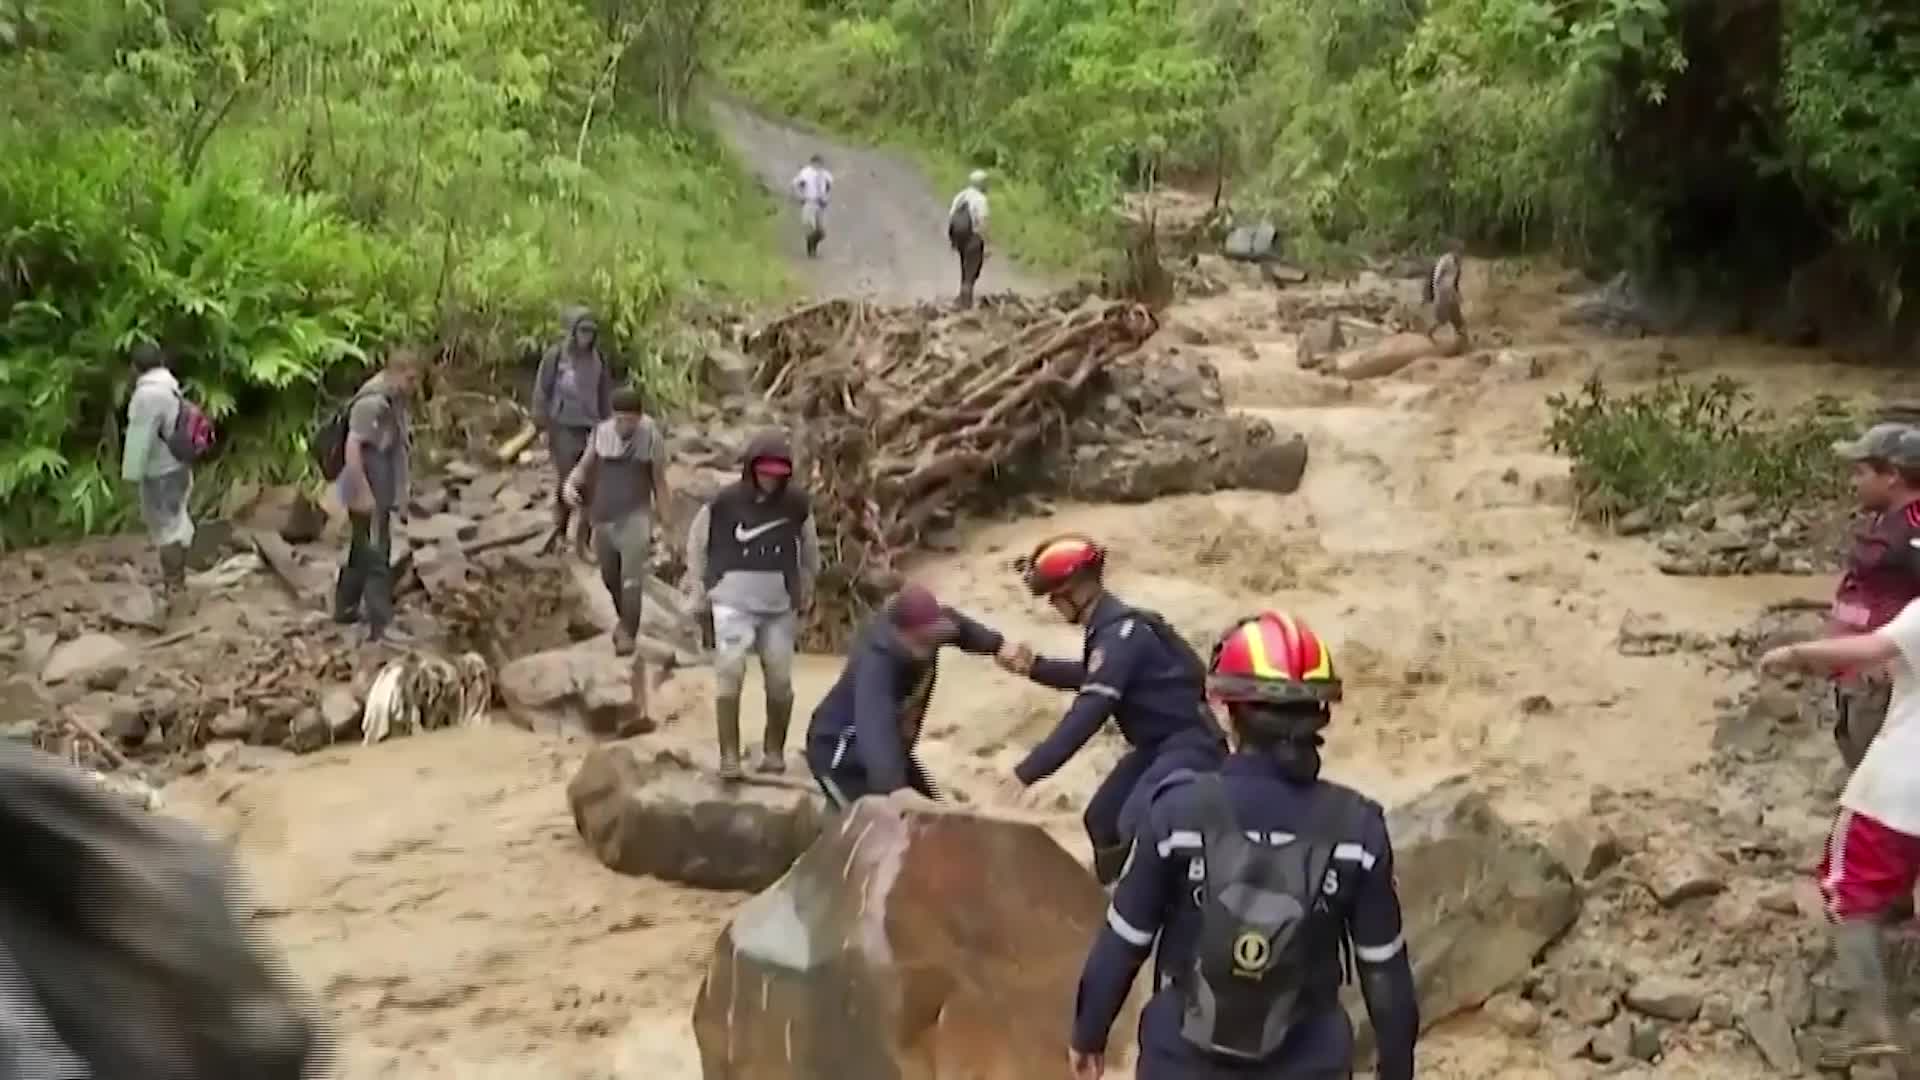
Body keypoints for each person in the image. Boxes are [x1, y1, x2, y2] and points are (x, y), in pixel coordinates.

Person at [1069, 610, 1418, 1080]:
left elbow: (1124, 942)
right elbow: (1384, 973)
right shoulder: (1358, 829)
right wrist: (1396, 1069)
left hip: (1182, 1062)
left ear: (1228, 708)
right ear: (1322, 712)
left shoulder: (1177, 813)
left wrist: (1088, 1035)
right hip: (1308, 1065)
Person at [997, 534, 1227, 885]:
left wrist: (1027, 772)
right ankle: (1109, 900)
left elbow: (1091, 709)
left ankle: (1150, 914)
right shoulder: (1111, 628)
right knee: (1102, 818)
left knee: (1135, 822)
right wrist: (1035, 667)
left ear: (1076, 591)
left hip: (1191, 743)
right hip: (1157, 746)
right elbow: (1094, 676)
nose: (1053, 605)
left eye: (1055, 596)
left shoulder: (1120, 633)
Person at [1762, 599, 1920, 1072]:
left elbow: (1867, 649)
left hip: (1899, 786)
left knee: (1852, 892)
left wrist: (1794, 654)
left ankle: (1876, 1030)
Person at [685, 431, 821, 780]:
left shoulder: (797, 504)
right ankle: (729, 756)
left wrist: (807, 585)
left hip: (778, 606)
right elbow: (697, 544)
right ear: (751, 469)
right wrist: (700, 589)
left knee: (780, 681)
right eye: (764, 473)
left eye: (778, 475)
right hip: (731, 601)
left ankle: (774, 752)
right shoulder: (724, 502)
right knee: (730, 675)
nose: (770, 481)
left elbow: (809, 549)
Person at [806, 584, 1018, 807]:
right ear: (899, 632)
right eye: (918, 641)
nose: (924, 649)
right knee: (884, 826)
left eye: (930, 639)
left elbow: (960, 628)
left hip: (893, 747)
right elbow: (876, 726)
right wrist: (895, 789)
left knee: (939, 819)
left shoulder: (936, 628)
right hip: (841, 754)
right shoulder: (877, 662)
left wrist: (999, 646)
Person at [1826, 422, 1920, 769]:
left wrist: (1895, 656)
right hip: (1859, 678)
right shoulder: (1886, 521)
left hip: (1887, 687)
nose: (1854, 482)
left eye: (1861, 472)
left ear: (1892, 475)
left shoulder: (1914, 527)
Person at [563, 388, 669, 658]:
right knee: (610, 576)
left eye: (630, 420)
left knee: (632, 578)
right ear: (613, 417)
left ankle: (628, 635)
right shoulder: (601, 434)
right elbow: (584, 467)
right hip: (604, 516)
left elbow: (659, 482)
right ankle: (625, 621)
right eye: (620, 419)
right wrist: (570, 484)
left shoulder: (651, 437)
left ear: (639, 417)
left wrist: (666, 525)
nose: (625, 426)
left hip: (636, 515)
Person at [333, 349, 421, 644]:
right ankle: (381, 625)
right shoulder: (371, 403)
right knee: (377, 553)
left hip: (377, 480)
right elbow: (352, 447)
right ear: (396, 373)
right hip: (362, 481)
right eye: (410, 379)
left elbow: (397, 449)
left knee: (361, 547)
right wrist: (361, 492)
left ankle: (344, 608)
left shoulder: (393, 399)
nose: (414, 385)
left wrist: (400, 495)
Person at [120, 344, 195, 621]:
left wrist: (131, 475)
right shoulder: (170, 387)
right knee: (177, 521)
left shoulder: (146, 396)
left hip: (160, 471)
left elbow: (140, 439)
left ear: (135, 367)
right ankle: (179, 583)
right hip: (179, 466)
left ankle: (175, 588)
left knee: (165, 528)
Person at [533, 307, 614, 561]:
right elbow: (542, 391)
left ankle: (583, 541)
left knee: (593, 485)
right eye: (582, 330)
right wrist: (541, 425)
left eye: (591, 331)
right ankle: (559, 532)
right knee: (567, 480)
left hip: (592, 427)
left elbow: (605, 396)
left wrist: (609, 427)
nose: (586, 336)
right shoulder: (556, 357)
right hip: (562, 426)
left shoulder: (598, 359)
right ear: (572, 331)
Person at [947, 169, 991, 308]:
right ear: (982, 184)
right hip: (972, 235)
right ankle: (965, 301)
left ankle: (963, 297)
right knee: (972, 267)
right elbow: (982, 220)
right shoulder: (980, 199)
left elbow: (951, 215)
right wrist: (986, 240)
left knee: (965, 265)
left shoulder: (961, 196)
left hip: (958, 236)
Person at [1422, 242, 1467, 350]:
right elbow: (1436, 276)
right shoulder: (1445, 260)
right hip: (1442, 291)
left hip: (1450, 291)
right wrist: (1434, 292)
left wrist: (1457, 293)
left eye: (1461, 251)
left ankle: (1462, 340)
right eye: (1459, 251)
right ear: (1453, 250)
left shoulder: (1458, 262)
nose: (1460, 253)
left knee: (1457, 318)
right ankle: (1429, 334)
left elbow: (1455, 279)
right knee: (1442, 319)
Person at [790, 153, 835, 259]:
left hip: (820, 203)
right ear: (812, 163)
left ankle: (813, 244)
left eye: (820, 163)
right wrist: (800, 196)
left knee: (820, 231)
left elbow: (828, 186)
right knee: (810, 226)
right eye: (817, 163)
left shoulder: (825, 174)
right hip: (810, 201)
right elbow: (796, 184)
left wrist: (826, 197)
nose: (818, 165)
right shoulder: (806, 173)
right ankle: (810, 249)